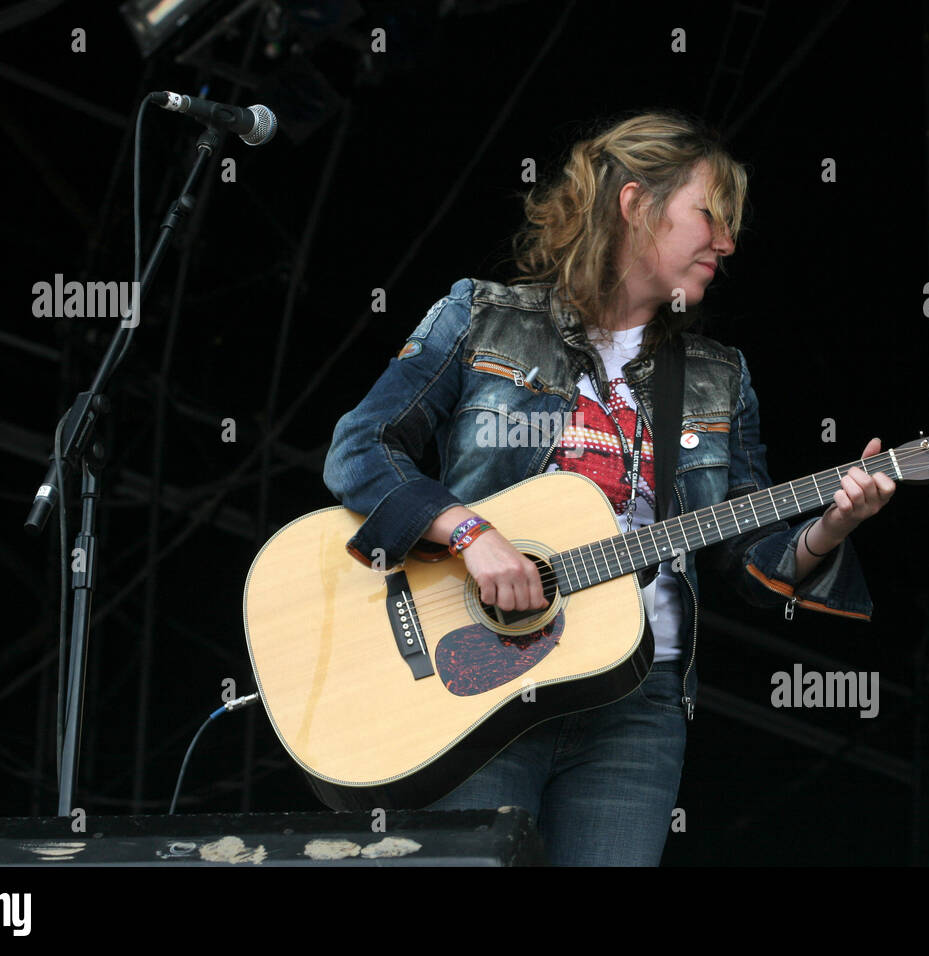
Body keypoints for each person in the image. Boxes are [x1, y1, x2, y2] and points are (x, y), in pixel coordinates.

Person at [322, 110, 894, 865]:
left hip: (638, 702)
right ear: (635, 203)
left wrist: (831, 527)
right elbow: (362, 447)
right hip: (476, 686)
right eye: (710, 217)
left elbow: (751, 562)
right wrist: (470, 533)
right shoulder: (482, 319)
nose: (726, 243)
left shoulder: (720, 376)